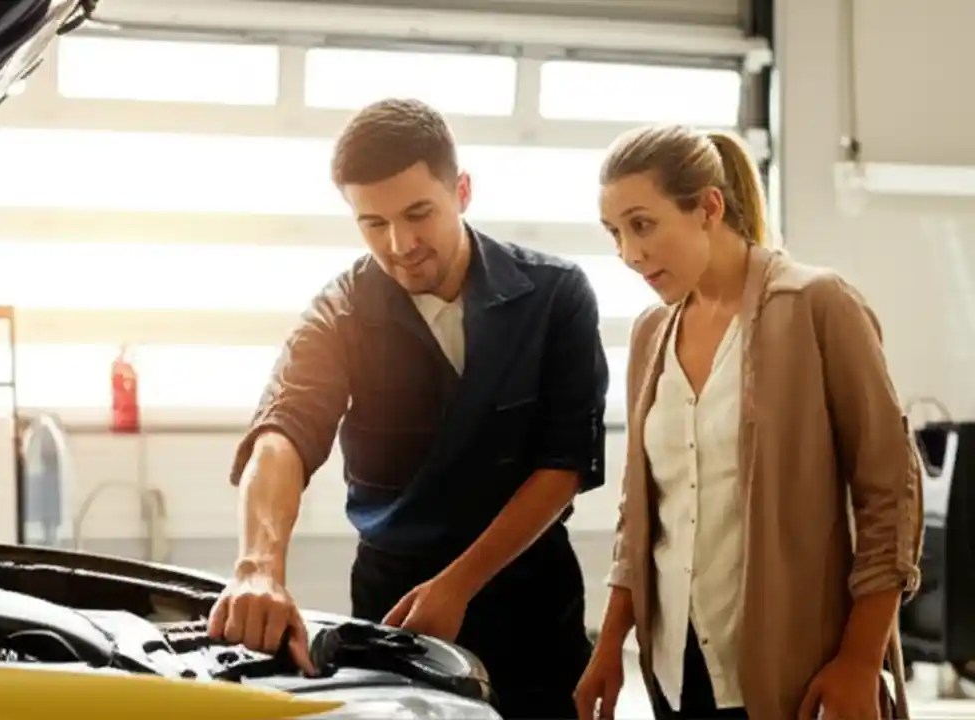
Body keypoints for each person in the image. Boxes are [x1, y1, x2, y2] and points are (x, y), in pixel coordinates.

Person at [205, 97, 610, 719]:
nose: (400, 244)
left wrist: (459, 584)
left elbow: (562, 465)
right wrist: (259, 566)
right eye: (373, 223)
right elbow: (283, 432)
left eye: (419, 213)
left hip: (530, 593)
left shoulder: (556, 294)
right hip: (393, 600)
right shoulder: (341, 311)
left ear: (462, 191)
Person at [573, 124, 924, 720]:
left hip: (794, 673)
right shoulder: (649, 334)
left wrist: (861, 663)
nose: (629, 254)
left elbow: (891, 493)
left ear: (709, 206)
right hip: (674, 674)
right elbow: (642, 511)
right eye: (615, 233)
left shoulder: (817, 305)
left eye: (643, 224)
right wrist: (610, 644)